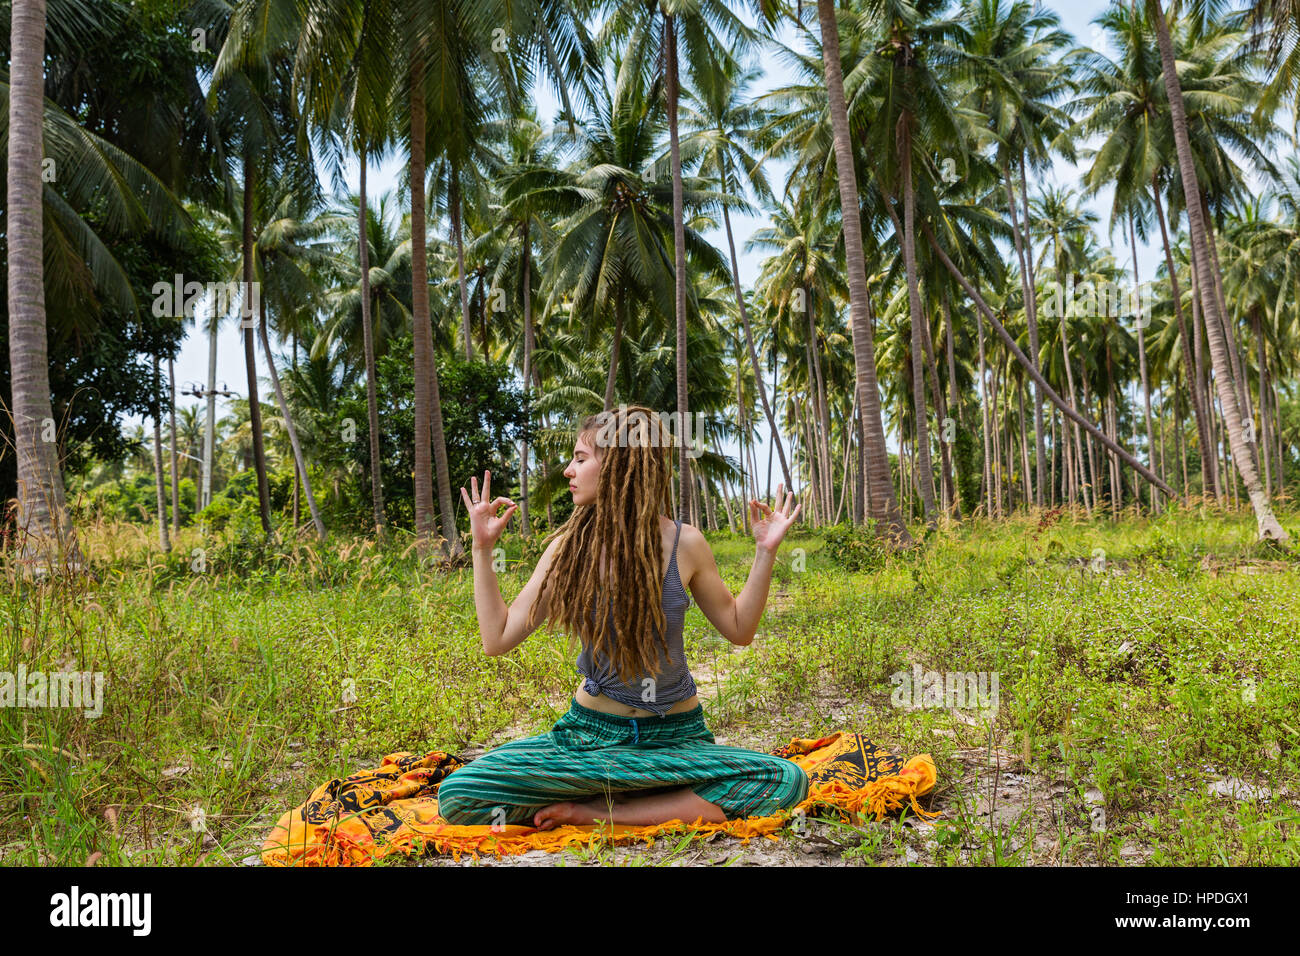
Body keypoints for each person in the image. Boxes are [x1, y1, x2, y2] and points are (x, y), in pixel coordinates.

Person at [435, 404, 807, 831]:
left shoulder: (686, 543)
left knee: (784, 780)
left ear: (617, 463)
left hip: (676, 739)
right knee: (461, 793)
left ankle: (597, 811)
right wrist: (482, 550)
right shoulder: (568, 549)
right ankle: (646, 795)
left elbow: (739, 629)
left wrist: (766, 552)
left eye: (580, 458)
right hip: (588, 737)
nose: (568, 472)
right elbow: (497, 638)